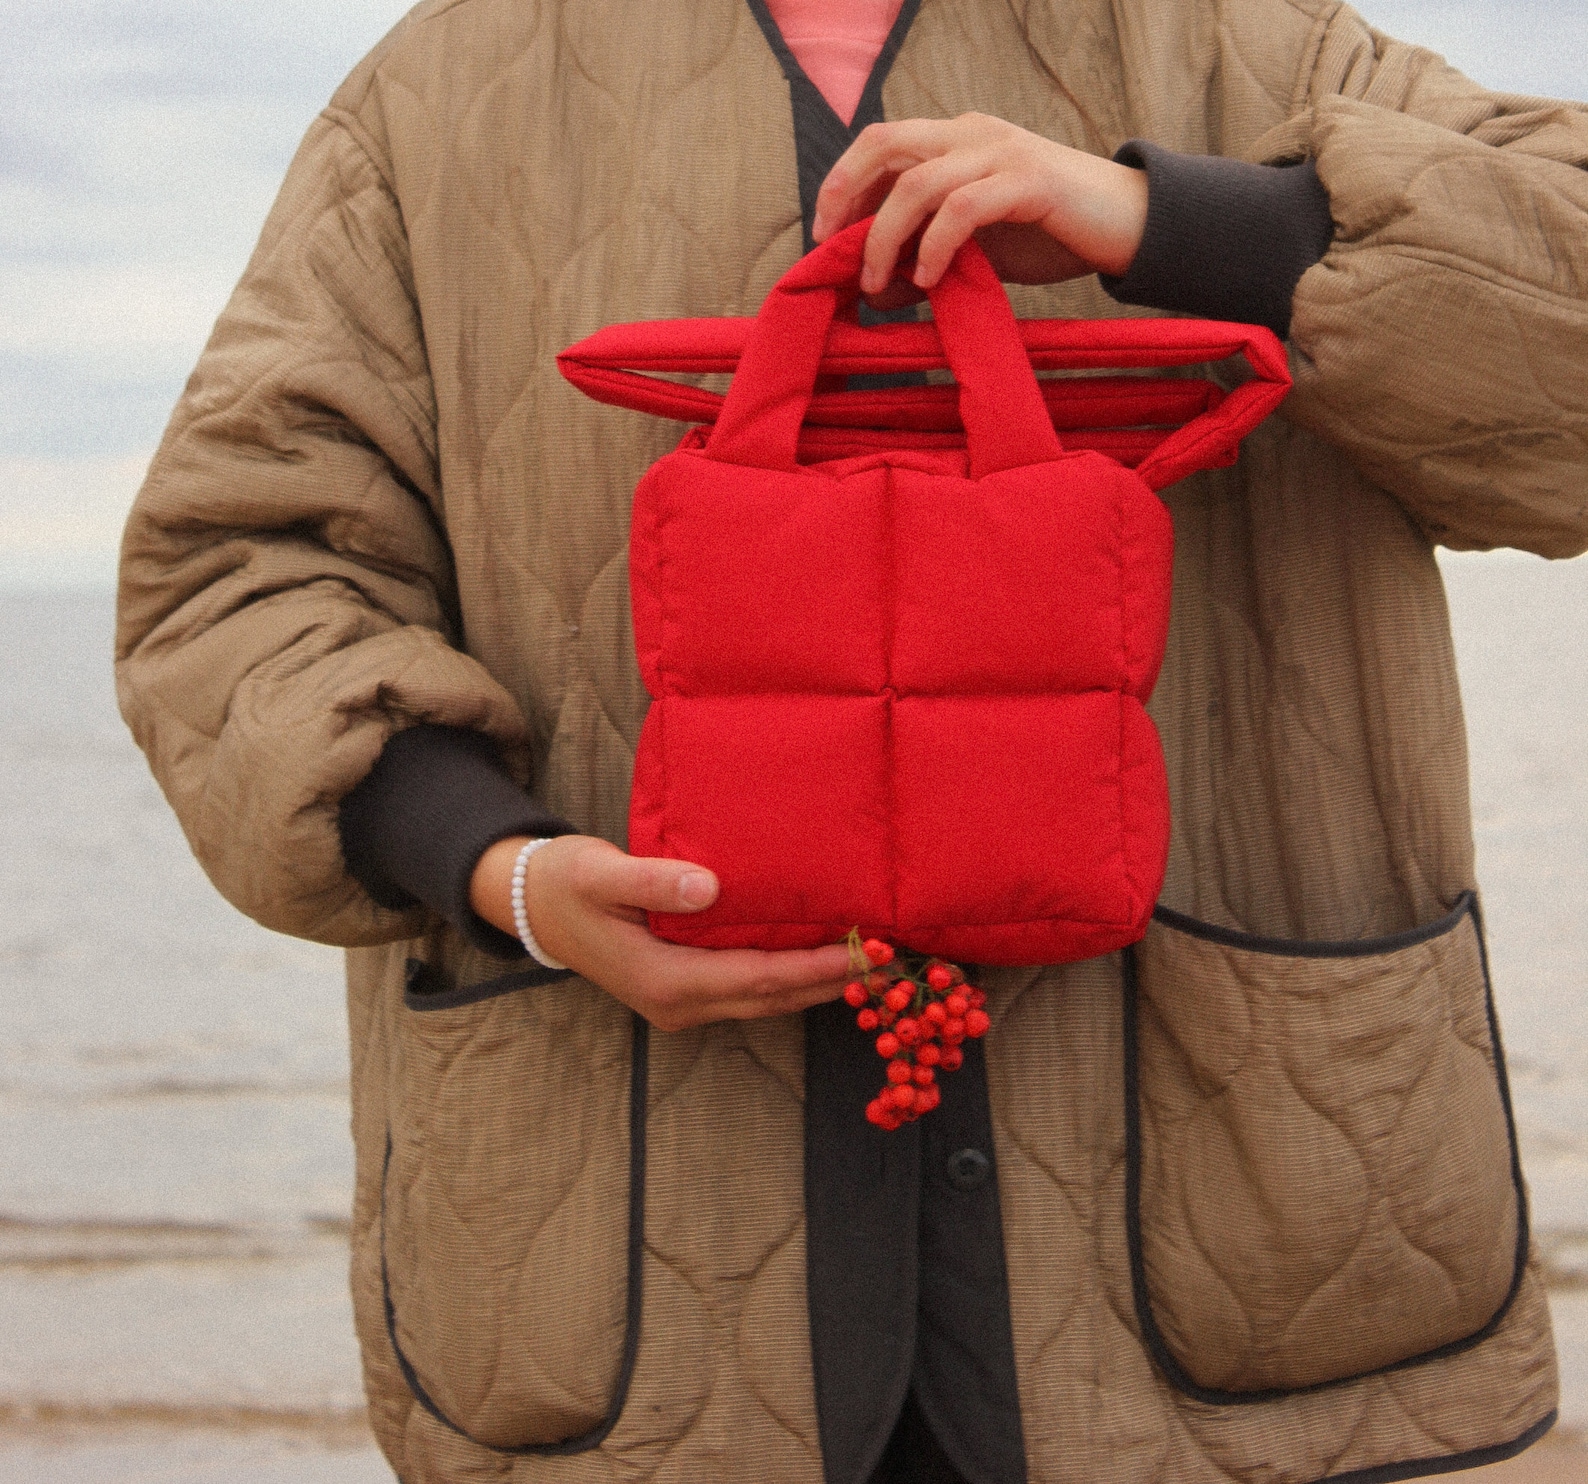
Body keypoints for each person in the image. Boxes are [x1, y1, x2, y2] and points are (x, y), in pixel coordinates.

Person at [115, 1, 1588, 1480]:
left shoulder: (1245, 40)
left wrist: (1159, 216)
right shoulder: (436, 93)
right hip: (625, 1278)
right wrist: (500, 872)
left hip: (1266, 1246)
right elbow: (236, 575)